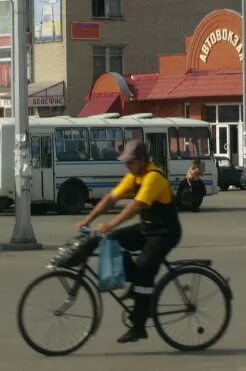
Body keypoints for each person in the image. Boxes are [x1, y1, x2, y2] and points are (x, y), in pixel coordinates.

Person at [78, 140, 182, 344]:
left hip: (165, 233)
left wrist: (110, 223)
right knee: (112, 240)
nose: (127, 166)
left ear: (142, 160)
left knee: (143, 270)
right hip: (148, 229)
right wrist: (88, 219)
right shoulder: (135, 176)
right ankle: (137, 286)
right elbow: (111, 198)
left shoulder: (153, 177)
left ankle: (139, 326)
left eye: (130, 162)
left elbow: (135, 207)